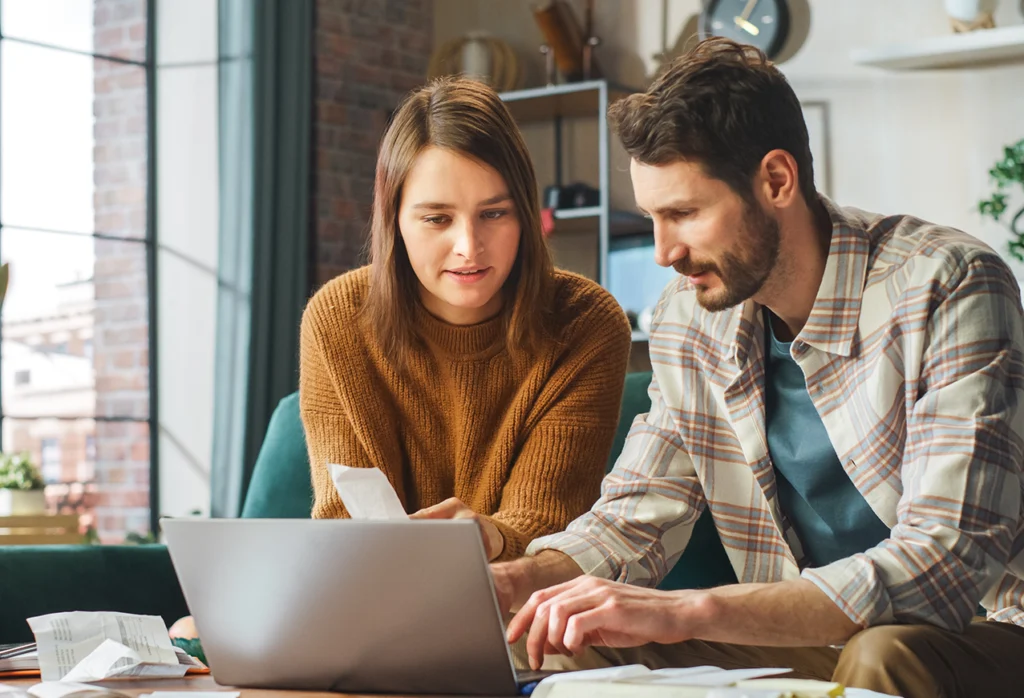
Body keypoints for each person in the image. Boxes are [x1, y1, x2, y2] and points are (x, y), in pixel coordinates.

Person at [493, 38, 1024, 698]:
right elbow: (634, 515)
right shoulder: (689, 319)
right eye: (653, 217)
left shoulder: (948, 285)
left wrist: (693, 608)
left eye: (684, 213)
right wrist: (520, 580)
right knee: (559, 642)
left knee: (883, 656)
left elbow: (944, 563)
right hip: (809, 642)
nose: (663, 251)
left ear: (776, 180)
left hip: (984, 630)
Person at [300, 76, 632, 562]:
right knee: (192, 631)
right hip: (373, 594)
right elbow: (345, 521)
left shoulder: (585, 323)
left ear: (526, 214)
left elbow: (547, 522)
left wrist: (492, 536)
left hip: (520, 603)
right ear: (395, 221)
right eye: (437, 219)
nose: (469, 247)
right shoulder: (338, 320)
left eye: (494, 214)